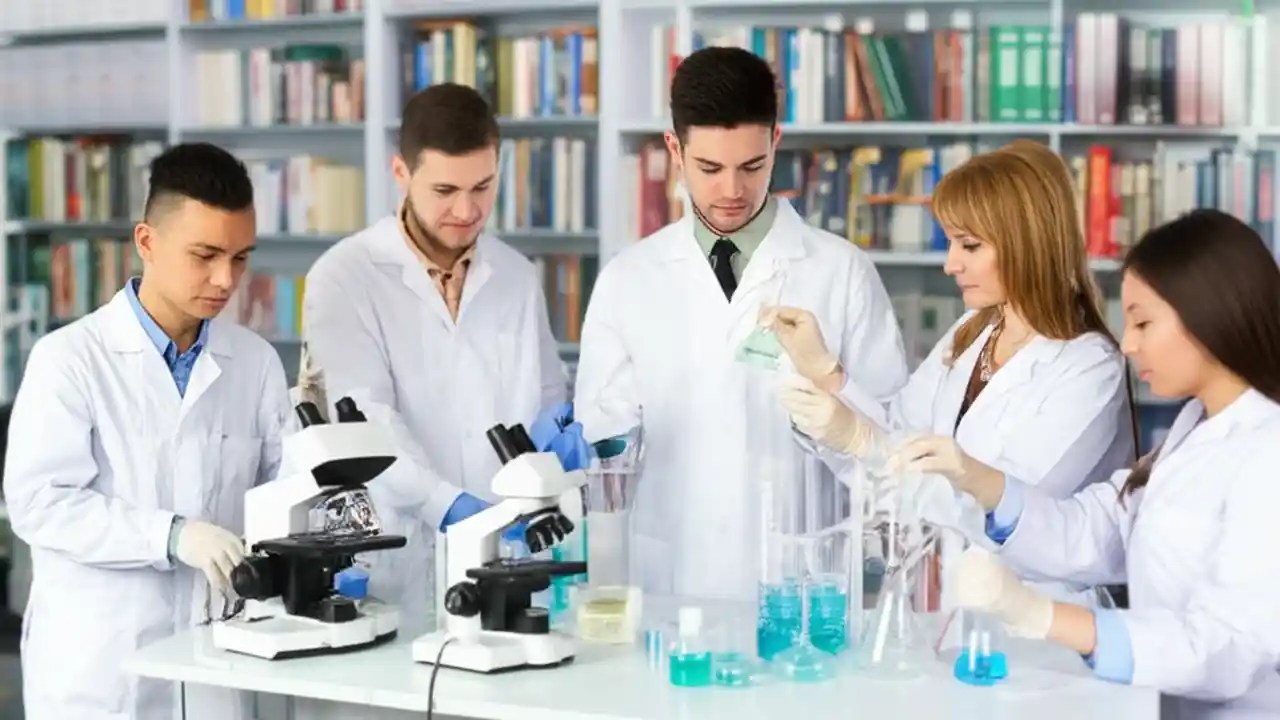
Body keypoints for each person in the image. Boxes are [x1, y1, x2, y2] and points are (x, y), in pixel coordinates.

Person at [573, 46, 908, 601]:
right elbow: (602, 446)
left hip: (802, 586)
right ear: (674, 150)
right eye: (709, 168)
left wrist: (834, 394)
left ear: (776, 142)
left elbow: (892, 449)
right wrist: (595, 446)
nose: (732, 190)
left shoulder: (840, 271)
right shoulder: (627, 280)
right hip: (670, 582)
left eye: (752, 166)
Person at [926, 209, 1280, 719]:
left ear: (1210, 316)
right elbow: (1103, 527)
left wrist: (1044, 616)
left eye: (1142, 321)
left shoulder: (1266, 451)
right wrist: (984, 483)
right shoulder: (1193, 430)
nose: (1129, 343)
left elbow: (1226, 648)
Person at [769, 140, 1135, 609]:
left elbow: (1004, 512)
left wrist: (861, 439)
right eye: (951, 243)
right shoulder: (974, 330)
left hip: (1039, 620)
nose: (950, 264)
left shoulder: (1089, 367)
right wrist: (827, 374)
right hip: (948, 608)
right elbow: (899, 433)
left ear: (1027, 242)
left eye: (970, 245)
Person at [3, 143, 290, 720]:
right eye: (205, 254)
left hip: (215, 664)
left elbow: (281, 494)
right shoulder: (70, 359)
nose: (224, 278)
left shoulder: (255, 364)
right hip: (101, 670)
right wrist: (172, 535)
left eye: (239, 258)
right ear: (146, 242)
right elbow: (38, 504)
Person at [299, 83, 566, 633]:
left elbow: (544, 392)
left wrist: (555, 438)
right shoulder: (345, 276)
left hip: (504, 554)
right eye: (445, 189)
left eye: (483, 187)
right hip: (394, 561)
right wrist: (447, 505)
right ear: (402, 173)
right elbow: (366, 425)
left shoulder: (515, 275)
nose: (466, 210)